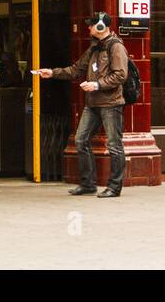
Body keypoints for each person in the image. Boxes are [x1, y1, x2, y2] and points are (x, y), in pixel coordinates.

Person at [38, 11, 130, 198]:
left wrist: (97, 84)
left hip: (110, 103)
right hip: (93, 103)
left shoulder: (116, 47)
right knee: (80, 140)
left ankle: (114, 186)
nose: (88, 27)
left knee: (114, 145)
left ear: (101, 27)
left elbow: (121, 74)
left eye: (91, 24)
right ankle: (88, 184)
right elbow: (75, 70)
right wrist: (52, 73)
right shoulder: (94, 49)